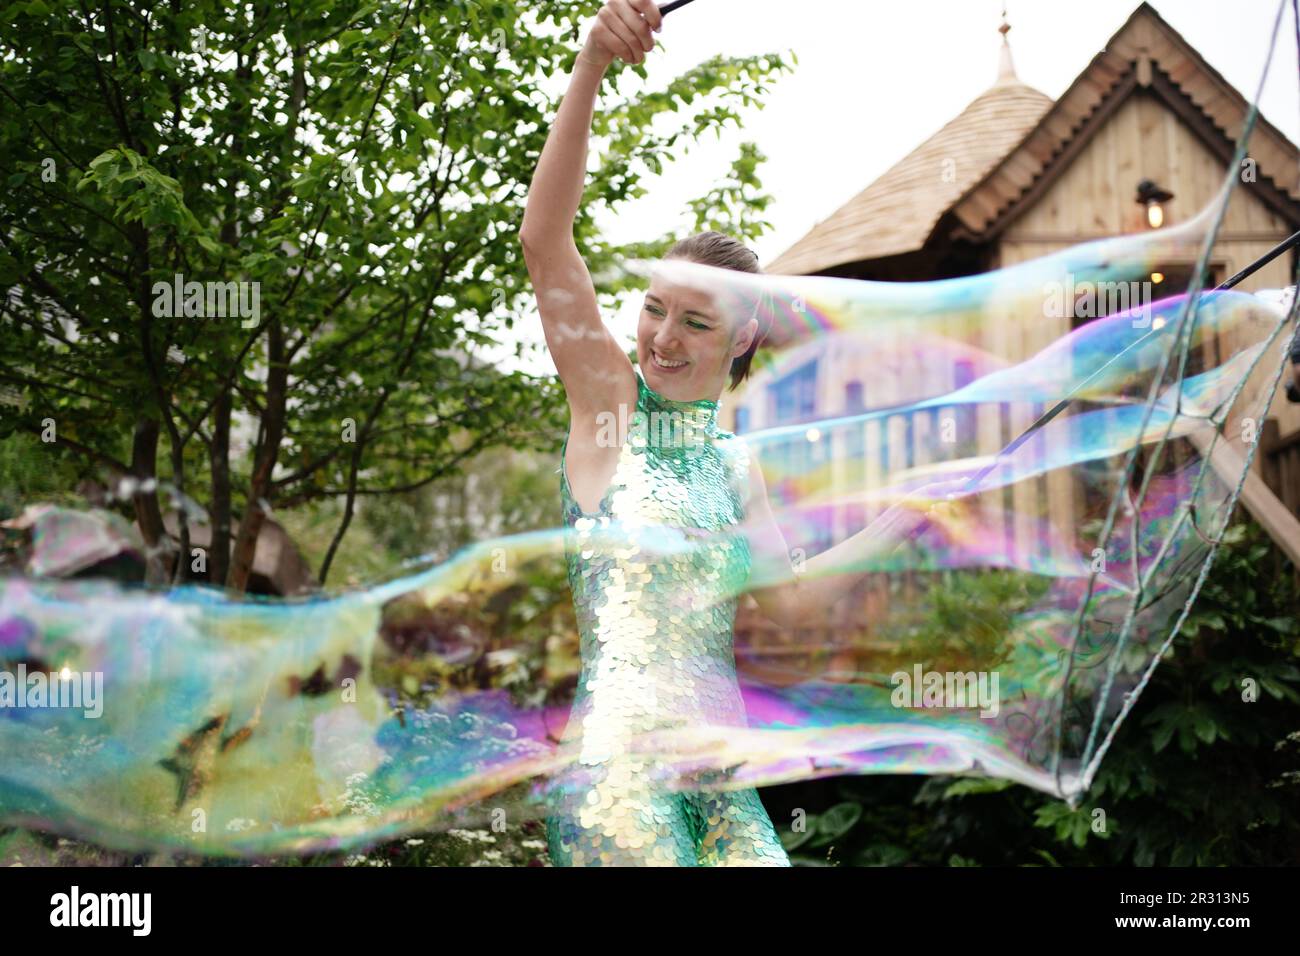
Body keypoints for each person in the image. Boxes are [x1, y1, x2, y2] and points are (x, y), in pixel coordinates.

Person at [519, 0, 952, 866]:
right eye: (653, 310)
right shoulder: (608, 403)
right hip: (620, 777)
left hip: (721, 783)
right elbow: (544, 240)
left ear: (744, 337)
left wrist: (899, 519)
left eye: (695, 323)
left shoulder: (735, 464)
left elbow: (787, 599)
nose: (662, 339)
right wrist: (591, 64)